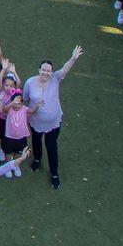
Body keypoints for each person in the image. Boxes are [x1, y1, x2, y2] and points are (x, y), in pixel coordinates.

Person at [24, 45, 82, 189]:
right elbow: (25, 99)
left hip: (53, 123)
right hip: (35, 121)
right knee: (36, 141)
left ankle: (54, 173)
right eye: (43, 69)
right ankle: (37, 160)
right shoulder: (30, 82)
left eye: (48, 70)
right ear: (39, 70)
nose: (46, 72)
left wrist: (73, 57)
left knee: (51, 147)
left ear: (51, 72)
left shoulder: (55, 79)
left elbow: (65, 69)